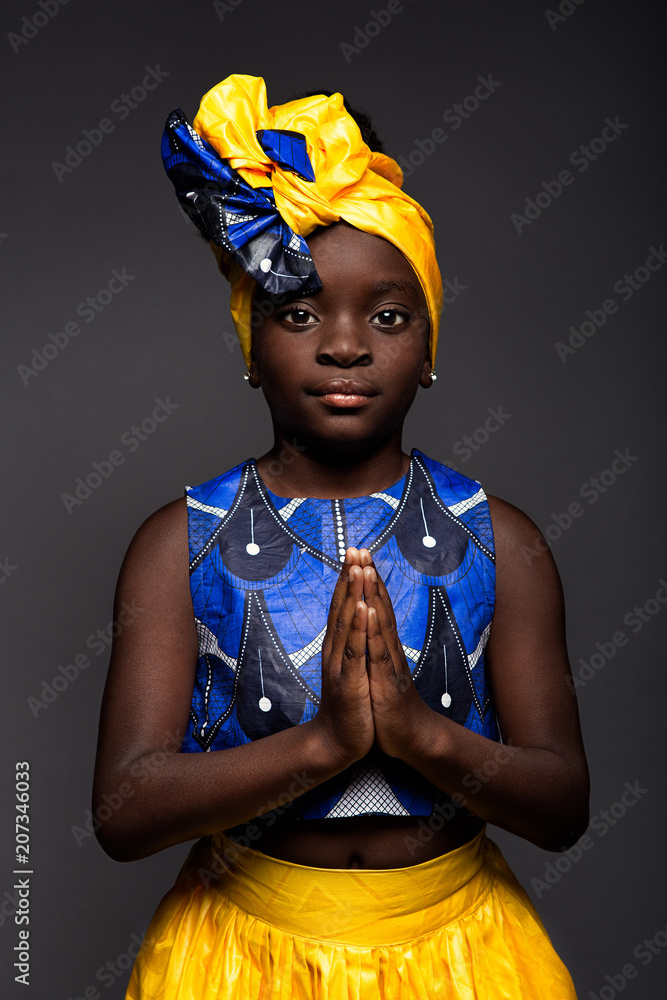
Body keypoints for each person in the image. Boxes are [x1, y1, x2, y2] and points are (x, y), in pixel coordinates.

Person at [93, 73, 590, 999]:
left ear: (430, 345)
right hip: (240, 959)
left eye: (389, 316)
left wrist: (414, 736)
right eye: (297, 312)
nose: (345, 345)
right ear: (249, 343)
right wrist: (323, 744)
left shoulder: (501, 540)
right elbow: (123, 815)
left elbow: (562, 807)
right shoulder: (178, 544)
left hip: (463, 959)